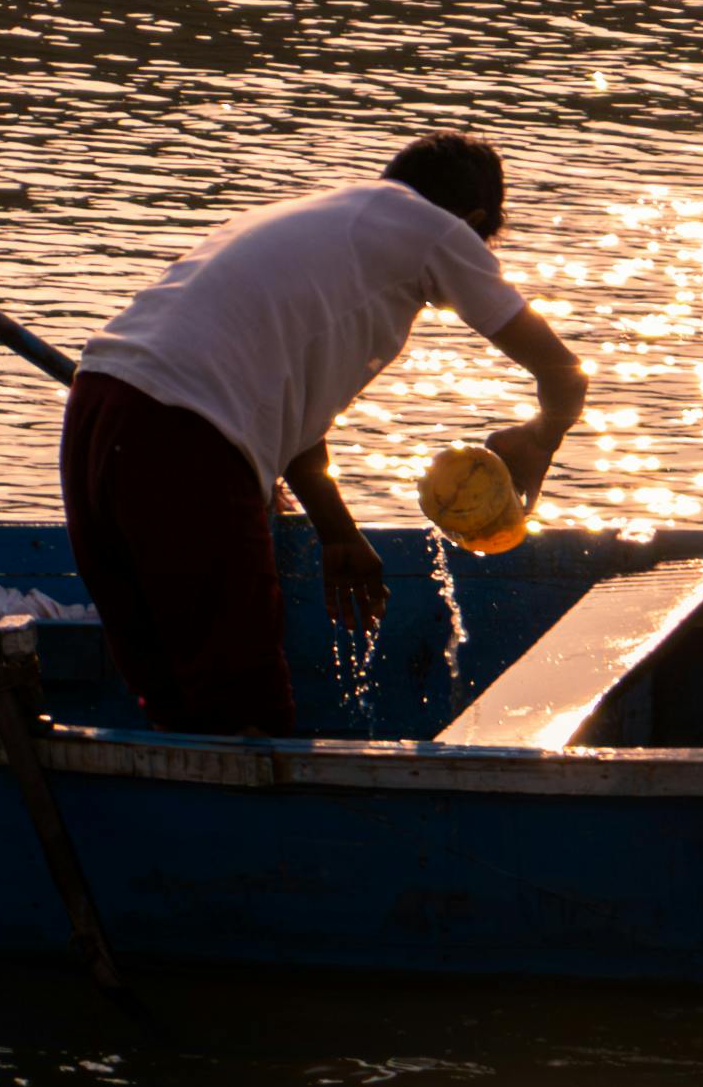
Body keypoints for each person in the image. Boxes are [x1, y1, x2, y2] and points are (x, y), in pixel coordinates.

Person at [59, 136, 588, 730]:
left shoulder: (314, 217)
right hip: (184, 438)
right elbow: (564, 376)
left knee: (165, 690)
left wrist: (335, 530)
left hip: (95, 406)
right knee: (244, 705)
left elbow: (287, 395)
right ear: (475, 223)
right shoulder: (436, 229)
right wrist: (540, 435)